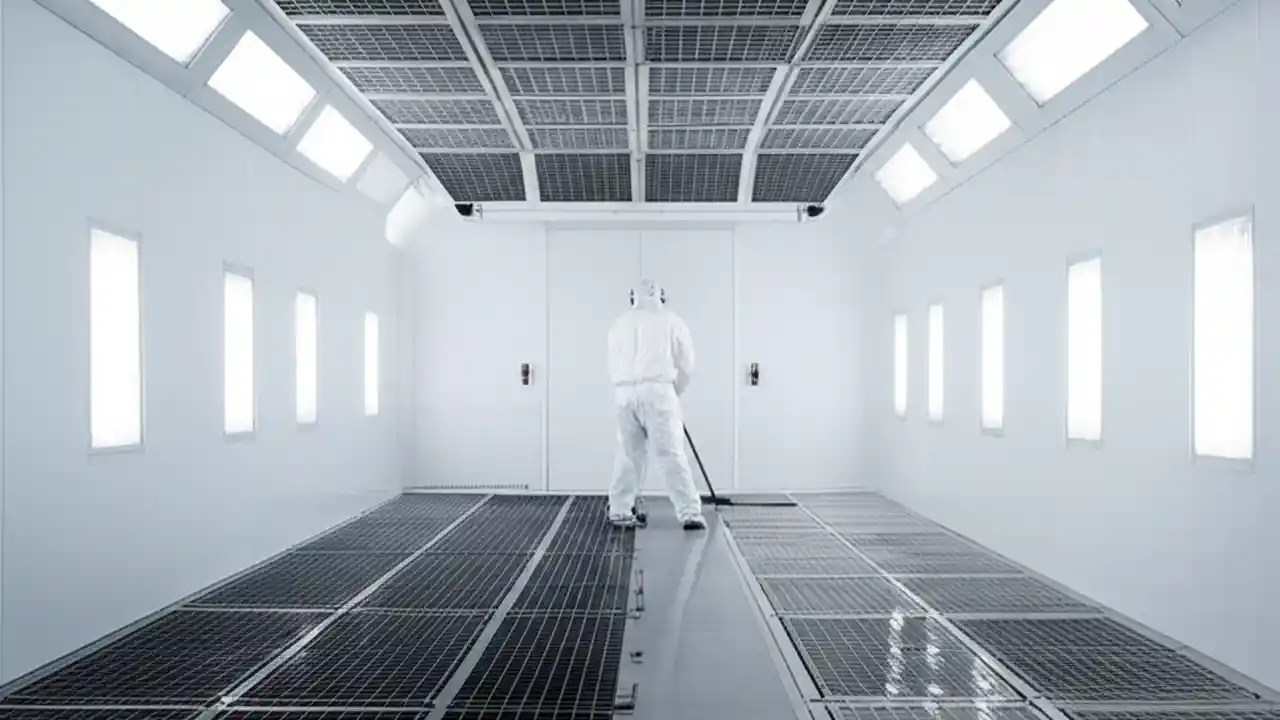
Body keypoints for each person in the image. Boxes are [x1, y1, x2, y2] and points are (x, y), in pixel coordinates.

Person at [607, 279, 706, 530]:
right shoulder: (672, 321)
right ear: (661, 296)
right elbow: (687, 364)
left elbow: (613, 361)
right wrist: (673, 392)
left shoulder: (619, 324)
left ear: (633, 298)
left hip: (624, 394)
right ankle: (690, 513)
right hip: (659, 392)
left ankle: (619, 510)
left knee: (629, 454)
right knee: (671, 453)